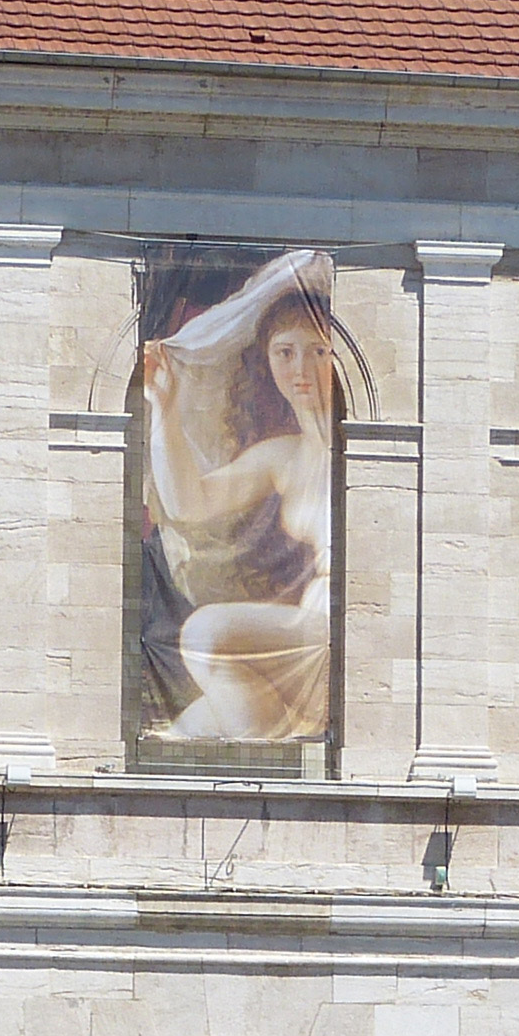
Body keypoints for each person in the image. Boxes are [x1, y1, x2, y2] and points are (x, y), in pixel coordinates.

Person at [139, 267, 337, 743]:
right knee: (187, 732)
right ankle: (271, 745)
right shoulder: (286, 455)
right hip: (299, 637)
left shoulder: (355, 449)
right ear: (267, 362)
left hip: (336, 633)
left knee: (206, 633)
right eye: (284, 352)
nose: (300, 369)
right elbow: (191, 502)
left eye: (318, 351)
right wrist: (164, 409)